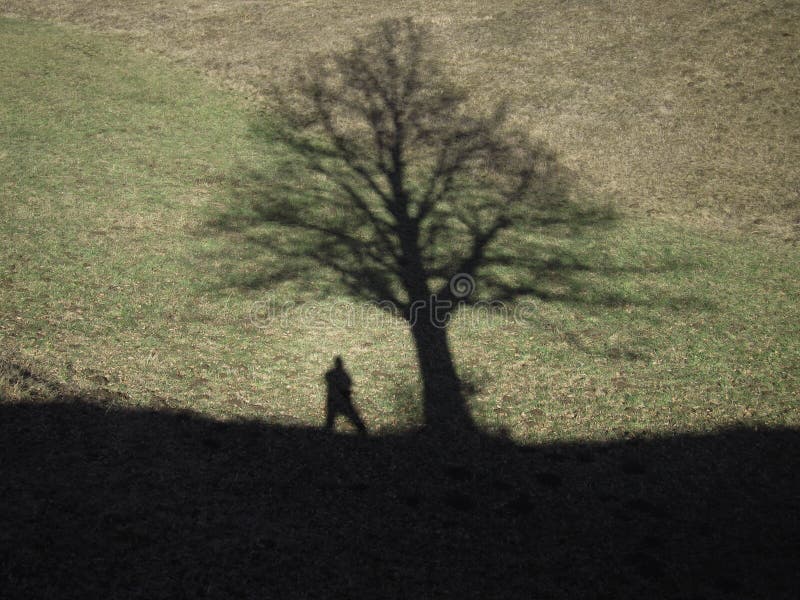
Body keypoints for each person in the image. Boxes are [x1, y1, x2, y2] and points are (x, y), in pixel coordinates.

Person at [324, 356, 367, 435]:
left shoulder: (330, 373)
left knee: (331, 417)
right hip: (343, 398)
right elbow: (349, 383)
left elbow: (327, 378)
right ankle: (362, 429)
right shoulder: (344, 374)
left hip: (333, 398)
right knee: (350, 414)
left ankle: (327, 432)